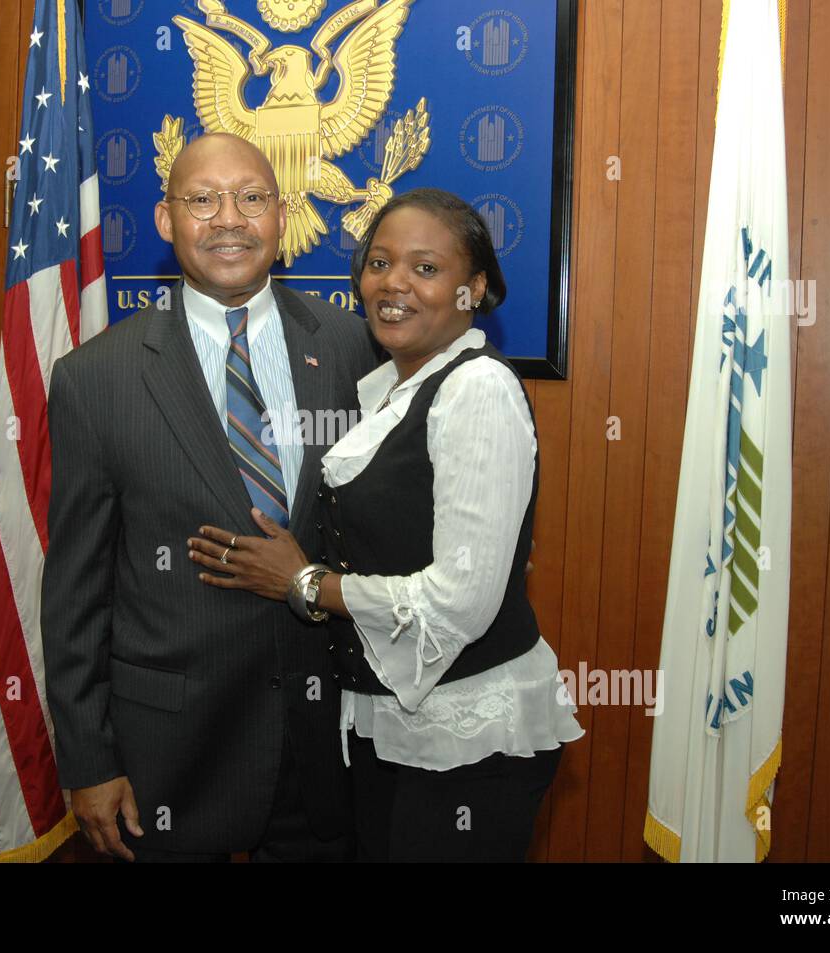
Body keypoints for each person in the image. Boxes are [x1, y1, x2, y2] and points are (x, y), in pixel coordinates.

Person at [188, 187, 584, 862]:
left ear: (475, 288)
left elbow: (461, 595)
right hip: (386, 731)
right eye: (379, 263)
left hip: (465, 743)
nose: (394, 283)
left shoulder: (476, 389)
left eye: (426, 268)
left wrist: (307, 583)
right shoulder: (387, 392)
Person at [41, 133, 379, 862]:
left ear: (281, 216)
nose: (230, 218)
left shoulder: (354, 347)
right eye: (202, 200)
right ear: (166, 222)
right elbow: (75, 591)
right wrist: (89, 762)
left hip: (324, 749)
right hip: (170, 759)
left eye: (251, 198)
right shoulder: (95, 378)